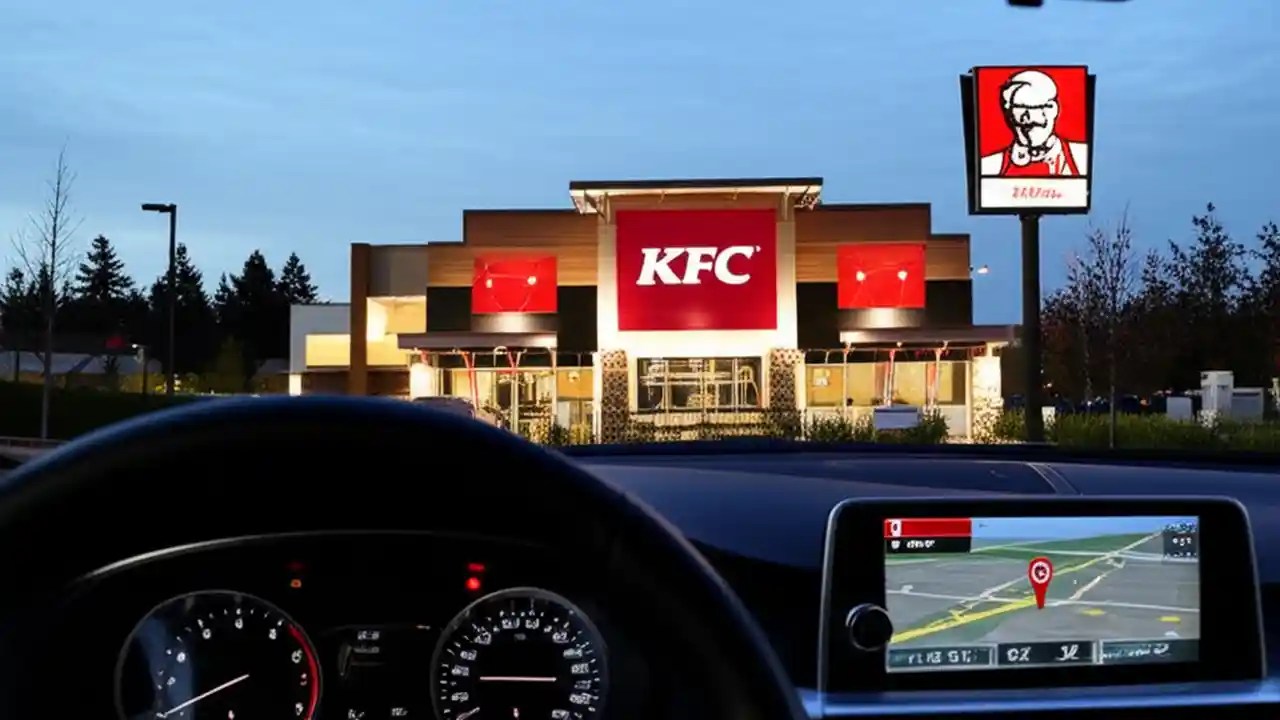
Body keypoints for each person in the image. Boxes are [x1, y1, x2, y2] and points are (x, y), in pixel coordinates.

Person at [979, 69, 1088, 178]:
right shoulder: (989, 166)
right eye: (1020, 107)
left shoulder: (1082, 156)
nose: (1028, 118)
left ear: (1053, 109)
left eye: (1036, 107)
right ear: (1009, 113)